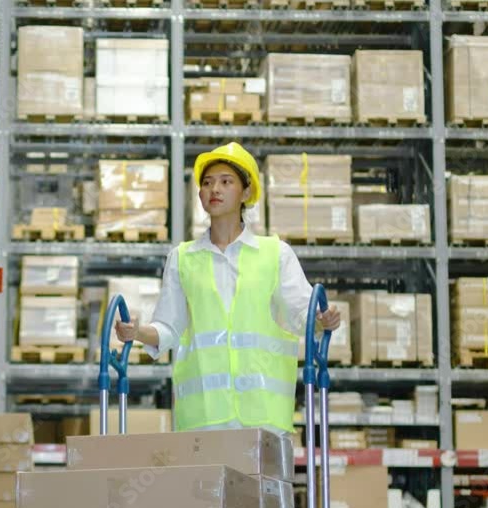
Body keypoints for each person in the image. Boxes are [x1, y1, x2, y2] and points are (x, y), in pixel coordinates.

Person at [115, 142, 341, 434]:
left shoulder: (276, 254)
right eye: (207, 183)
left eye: (226, 182)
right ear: (200, 195)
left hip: (263, 419)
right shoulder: (183, 258)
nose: (215, 189)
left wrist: (323, 322)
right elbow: (168, 328)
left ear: (246, 192)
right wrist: (137, 333)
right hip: (203, 419)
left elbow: (302, 316)